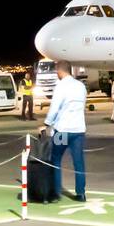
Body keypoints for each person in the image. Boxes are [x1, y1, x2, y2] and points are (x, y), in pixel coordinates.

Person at [41, 60, 87, 201]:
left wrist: (46, 123)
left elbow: (55, 108)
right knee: (78, 162)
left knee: (55, 159)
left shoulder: (61, 86)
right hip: (78, 130)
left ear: (59, 71)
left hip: (62, 130)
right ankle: (81, 193)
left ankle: (56, 193)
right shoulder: (81, 86)